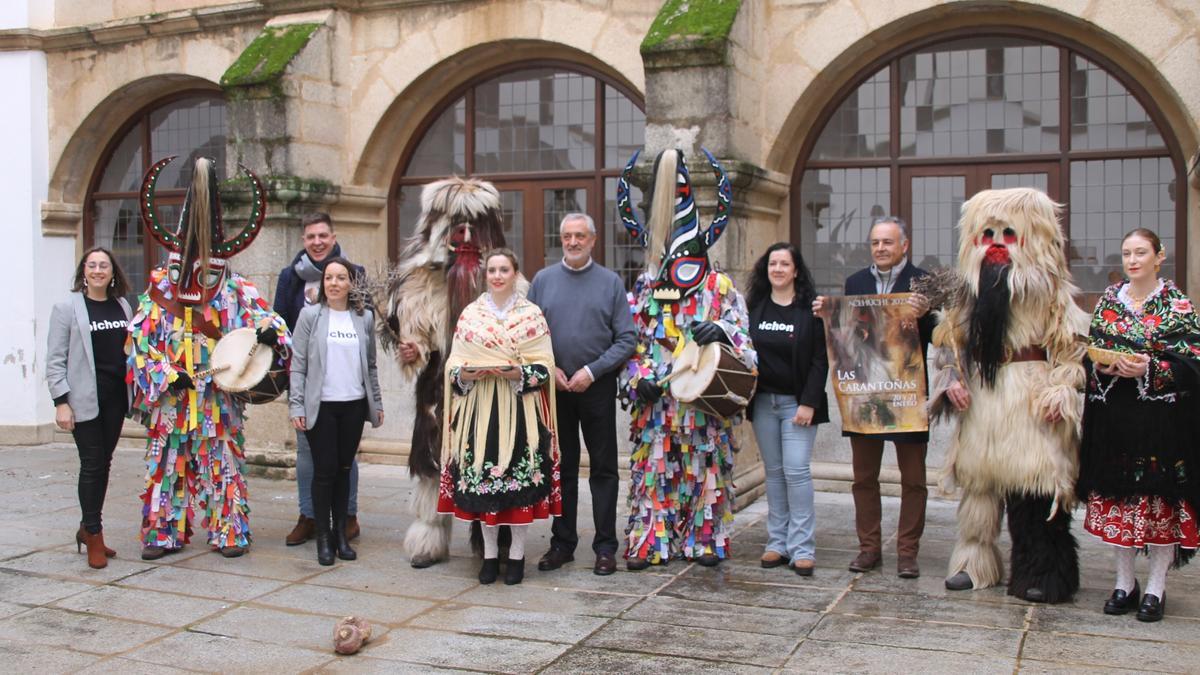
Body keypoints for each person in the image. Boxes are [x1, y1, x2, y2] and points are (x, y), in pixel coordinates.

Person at [929, 188, 1087, 603]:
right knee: (978, 485)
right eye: (989, 234)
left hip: (1030, 395)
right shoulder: (966, 293)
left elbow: (1072, 351)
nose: (997, 244)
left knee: (1032, 486)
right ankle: (972, 562)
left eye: (1009, 234)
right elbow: (947, 345)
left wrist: (1060, 388)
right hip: (983, 395)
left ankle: (1041, 571)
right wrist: (951, 381)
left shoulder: (1053, 292)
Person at [130, 155, 290, 560]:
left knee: (223, 459)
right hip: (174, 399)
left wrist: (272, 333)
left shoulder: (234, 288)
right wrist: (167, 375)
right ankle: (163, 530)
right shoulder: (160, 289)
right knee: (168, 460)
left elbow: (270, 322)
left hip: (218, 394)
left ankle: (229, 530)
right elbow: (138, 341)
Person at [616, 148, 755, 569]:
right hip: (656, 403)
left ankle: (704, 537)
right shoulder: (642, 289)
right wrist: (636, 376)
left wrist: (724, 333)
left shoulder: (721, 289)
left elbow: (746, 346)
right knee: (655, 472)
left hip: (705, 403)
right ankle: (649, 541)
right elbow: (629, 342)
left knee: (707, 469)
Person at [381, 177, 508, 568]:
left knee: (487, 463)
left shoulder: (504, 280)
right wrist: (411, 348)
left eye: (473, 226)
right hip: (437, 390)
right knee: (431, 462)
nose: (465, 235)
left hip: (487, 389)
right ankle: (429, 537)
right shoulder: (419, 281)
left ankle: (488, 543)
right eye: (457, 226)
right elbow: (413, 336)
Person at [1077, 228, 1200, 622]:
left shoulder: (1176, 304)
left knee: (1158, 504)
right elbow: (1093, 350)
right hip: (1116, 420)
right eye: (1127, 252)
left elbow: (1193, 358)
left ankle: (1156, 588)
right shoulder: (1109, 301)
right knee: (1120, 501)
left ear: (1158, 256)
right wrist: (1102, 365)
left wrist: (1151, 367)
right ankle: (1124, 582)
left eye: (1141, 252)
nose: (1132, 260)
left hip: (1162, 426)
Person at [813, 217, 933, 578]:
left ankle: (907, 552)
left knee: (914, 479)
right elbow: (848, 335)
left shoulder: (922, 282)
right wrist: (827, 317)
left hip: (908, 395)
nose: (880, 248)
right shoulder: (855, 282)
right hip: (865, 394)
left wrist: (926, 314)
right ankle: (868, 548)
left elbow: (940, 336)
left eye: (887, 242)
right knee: (864, 477)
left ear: (904, 245)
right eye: (875, 243)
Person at [438, 248, 561, 586]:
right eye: (491, 269)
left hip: (520, 409)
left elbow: (546, 365)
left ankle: (518, 557)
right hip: (480, 411)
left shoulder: (532, 315)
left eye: (503, 269)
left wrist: (517, 372)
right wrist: (465, 375)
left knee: (518, 484)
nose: (496, 275)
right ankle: (490, 557)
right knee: (483, 485)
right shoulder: (470, 314)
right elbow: (453, 364)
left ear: (515, 273)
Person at [527, 213, 636, 576]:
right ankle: (562, 543)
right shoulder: (542, 281)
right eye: (566, 236)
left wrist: (592, 371)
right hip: (555, 388)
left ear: (592, 240)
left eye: (580, 236)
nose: (572, 242)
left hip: (596, 388)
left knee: (604, 469)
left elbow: (627, 339)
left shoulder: (610, 283)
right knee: (562, 469)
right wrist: (549, 368)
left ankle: (605, 547)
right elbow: (528, 335)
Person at [273, 213, 364, 546]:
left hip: (346, 383)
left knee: (345, 455)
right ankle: (309, 516)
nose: (317, 242)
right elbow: (279, 324)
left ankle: (348, 515)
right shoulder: (289, 277)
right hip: (308, 384)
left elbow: (366, 323)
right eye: (311, 236)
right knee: (307, 453)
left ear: (333, 236)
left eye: (323, 235)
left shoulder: (356, 274)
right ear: (304, 240)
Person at [289, 257, 384, 566]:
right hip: (322, 405)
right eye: (328, 277)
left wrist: (377, 404)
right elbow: (298, 364)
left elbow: (370, 365)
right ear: (323, 283)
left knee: (345, 469)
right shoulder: (310, 316)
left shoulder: (364, 318)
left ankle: (342, 535)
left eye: (340, 277)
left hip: (353, 405)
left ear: (350, 283)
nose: (333, 283)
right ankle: (323, 539)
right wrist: (296, 405)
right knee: (324, 470)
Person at [46, 247, 133, 569]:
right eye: (92, 265)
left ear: (113, 273)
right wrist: (61, 403)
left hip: (114, 399)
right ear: (83, 271)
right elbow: (55, 360)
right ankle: (93, 532)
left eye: (104, 265)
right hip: (83, 399)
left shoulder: (122, 306)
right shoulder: (67, 308)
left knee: (104, 463)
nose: (98, 270)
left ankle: (87, 527)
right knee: (93, 463)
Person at [746, 243, 828, 576]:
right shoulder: (755, 308)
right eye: (772, 264)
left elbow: (820, 359)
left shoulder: (811, 309)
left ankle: (802, 547)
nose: (778, 269)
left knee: (796, 471)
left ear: (796, 270)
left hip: (797, 404)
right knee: (775, 473)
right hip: (764, 403)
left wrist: (809, 402)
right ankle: (777, 543)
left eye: (785, 264)